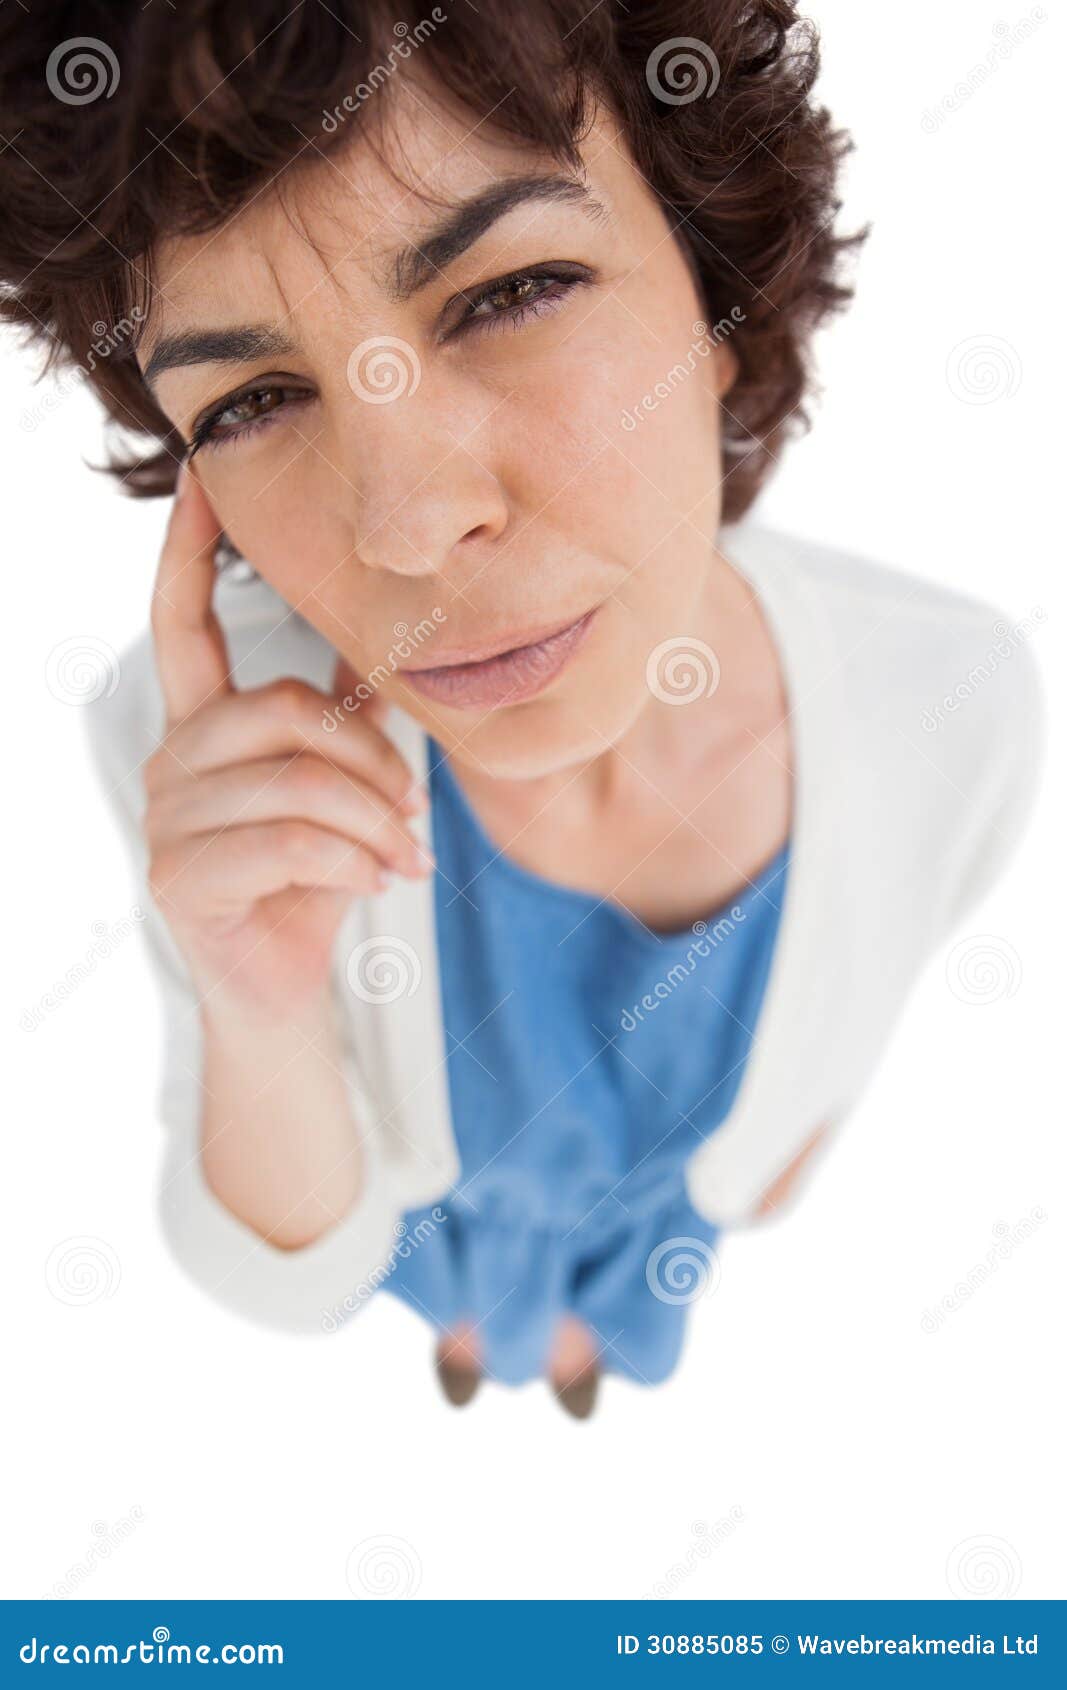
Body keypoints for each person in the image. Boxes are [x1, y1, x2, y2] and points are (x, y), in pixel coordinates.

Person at [0, 1, 1042, 1417]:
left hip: (659, 1195)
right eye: (251, 399)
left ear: (716, 294)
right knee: (464, 1284)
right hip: (422, 1204)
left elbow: (789, 1123)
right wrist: (259, 1008)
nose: (413, 530)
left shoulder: (952, 700)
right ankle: (489, 1329)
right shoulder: (207, 745)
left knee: (631, 1254)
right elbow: (291, 1270)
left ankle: (573, 1325)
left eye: (511, 293)